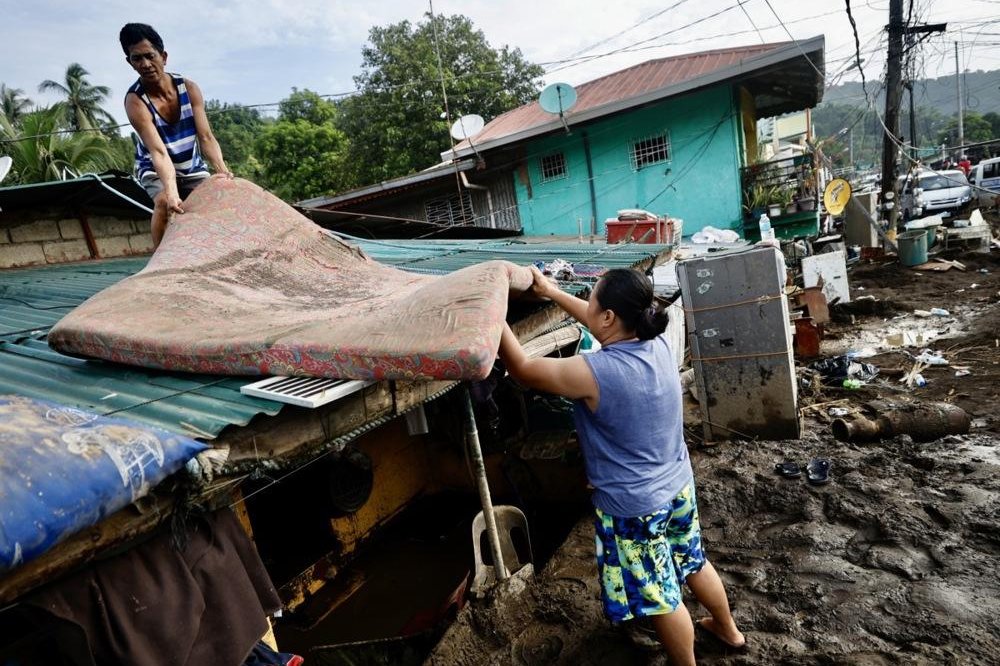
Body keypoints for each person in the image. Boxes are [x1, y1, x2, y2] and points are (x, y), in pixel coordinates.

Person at [498, 267, 744, 665]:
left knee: (659, 597)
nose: (590, 307)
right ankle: (729, 630)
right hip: (678, 484)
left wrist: (493, 316)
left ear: (609, 317)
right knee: (693, 561)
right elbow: (601, 323)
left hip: (635, 507)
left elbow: (524, 371)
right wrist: (554, 293)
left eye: (593, 301)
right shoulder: (658, 343)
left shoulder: (593, 371)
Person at [119, 23, 231, 248]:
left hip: (190, 165)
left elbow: (206, 137)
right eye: (137, 59)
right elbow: (158, 152)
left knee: (217, 198)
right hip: (154, 166)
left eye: (150, 56)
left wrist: (223, 172)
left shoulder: (189, 89)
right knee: (162, 203)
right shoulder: (135, 102)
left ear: (164, 56)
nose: (146, 64)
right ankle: (158, 264)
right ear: (130, 62)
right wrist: (171, 193)